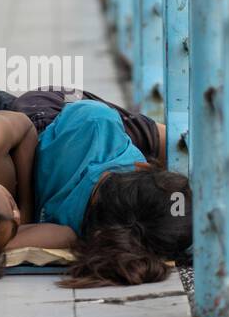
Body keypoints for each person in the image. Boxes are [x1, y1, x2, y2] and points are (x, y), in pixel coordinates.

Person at [0, 87, 181, 283]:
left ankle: (175, 138)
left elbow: (25, 129)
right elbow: (64, 234)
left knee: (93, 119)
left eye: (11, 208)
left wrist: (30, 208)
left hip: (8, 115)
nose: (18, 217)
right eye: (14, 226)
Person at [32, 99, 191, 288]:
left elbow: (88, 112)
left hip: (43, 117)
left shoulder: (98, 123)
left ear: (142, 167)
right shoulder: (70, 230)